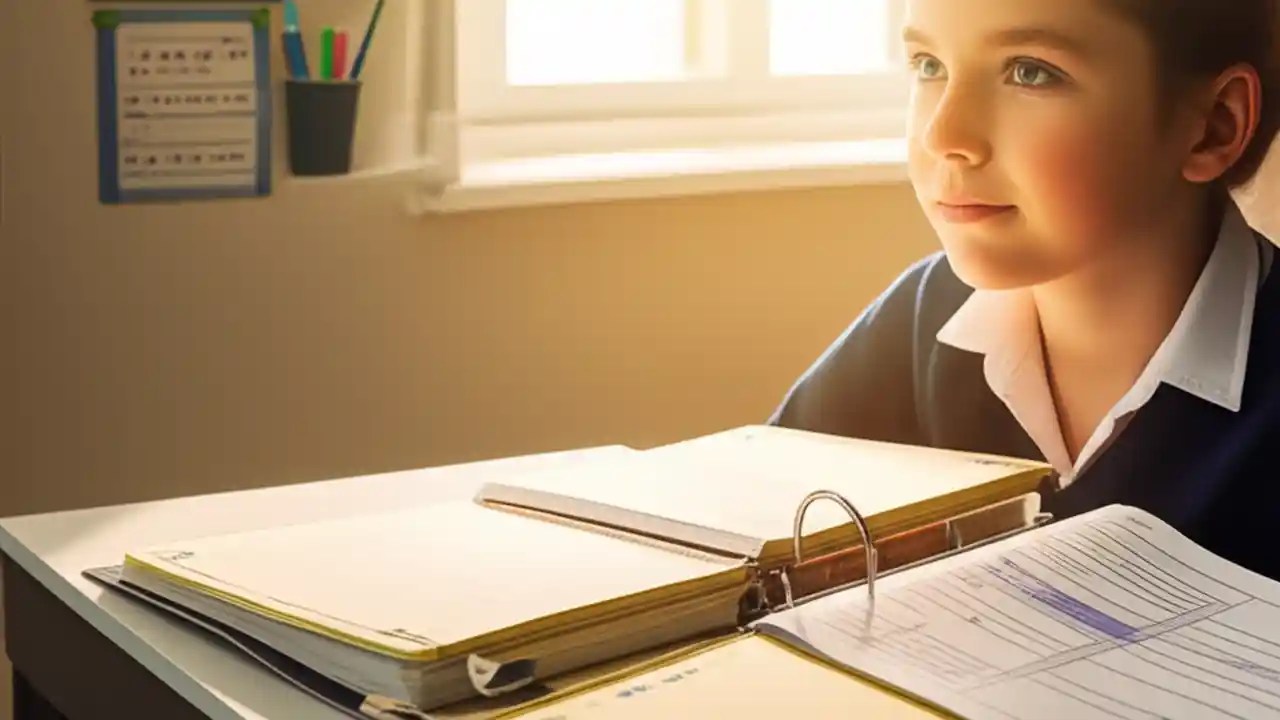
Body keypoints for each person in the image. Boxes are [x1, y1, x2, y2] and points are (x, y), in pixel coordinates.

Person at [769, 0, 1280, 580]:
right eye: (929, 65)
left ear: (1214, 124)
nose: (945, 136)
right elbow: (746, 541)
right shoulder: (919, 320)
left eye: (1030, 72)